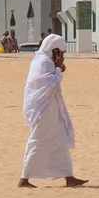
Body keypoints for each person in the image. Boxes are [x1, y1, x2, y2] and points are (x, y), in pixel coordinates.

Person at [19, 34, 85, 188]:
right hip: (42, 108)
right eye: (61, 52)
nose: (62, 56)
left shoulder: (44, 60)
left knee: (60, 138)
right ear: (54, 50)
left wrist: (57, 67)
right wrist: (57, 67)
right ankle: (24, 178)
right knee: (39, 139)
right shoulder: (43, 62)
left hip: (49, 106)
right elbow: (50, 85)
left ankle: (68, 176)